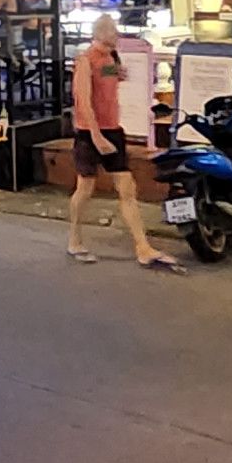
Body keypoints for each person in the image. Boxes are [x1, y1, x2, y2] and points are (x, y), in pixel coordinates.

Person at [67, 16, 174, 271]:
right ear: (101, 33)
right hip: (89, 133)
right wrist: (96, 135)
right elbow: (84, 100)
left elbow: (110, 77)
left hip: (113, 130)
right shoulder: (86, 60)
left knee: (127, 188)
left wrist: (118, 74)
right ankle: (74, 239)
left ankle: (142, 246)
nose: (117, 35)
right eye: (113, 31)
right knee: (85, 188)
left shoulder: (111, 57)